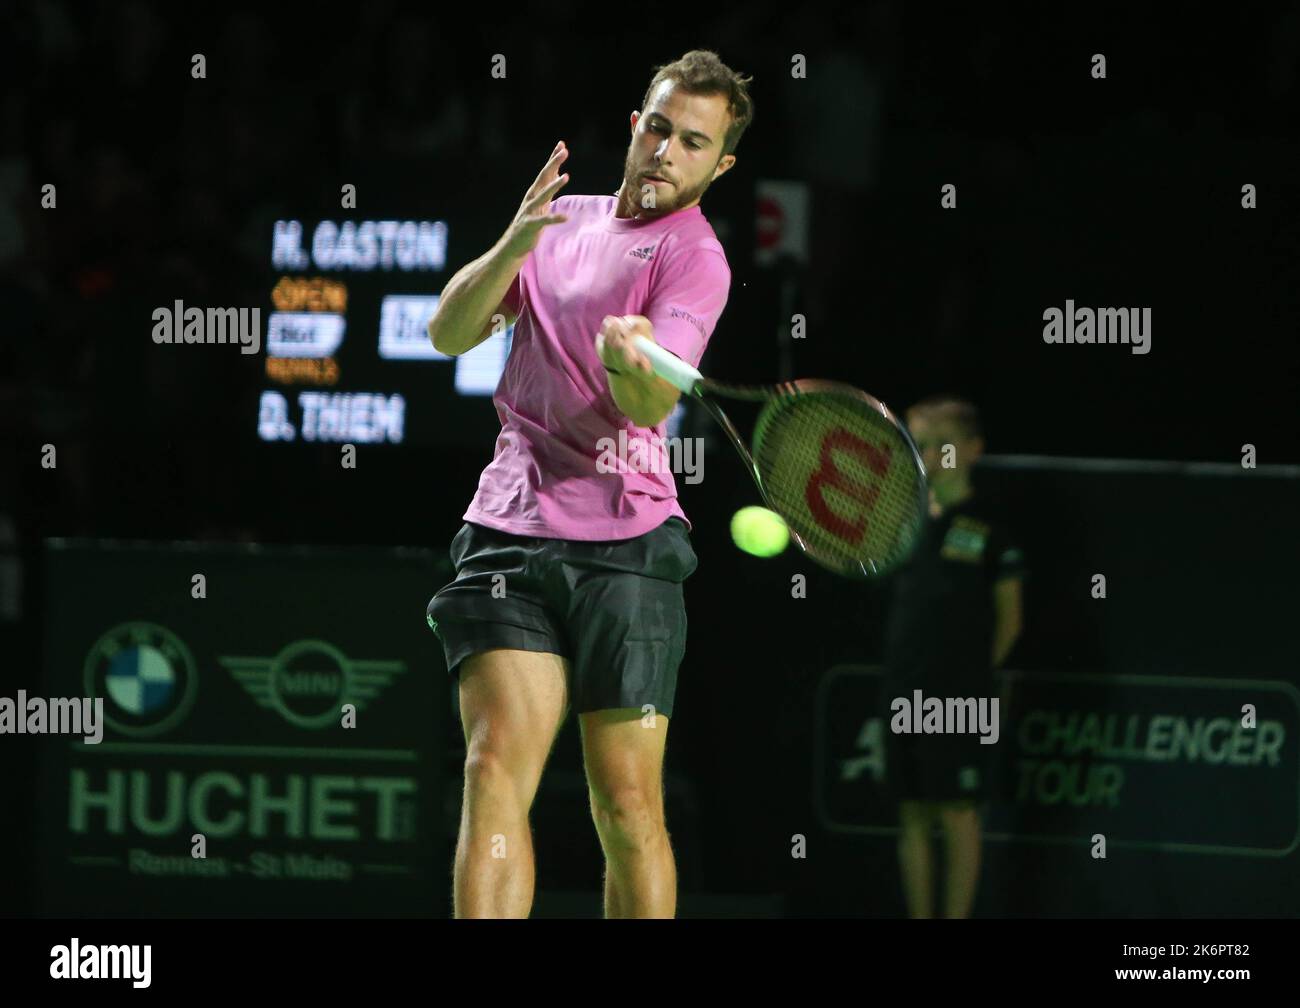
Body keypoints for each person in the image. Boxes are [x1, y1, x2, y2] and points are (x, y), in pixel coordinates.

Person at [425, 51, 753, 919]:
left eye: (692, 142)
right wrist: (513, 241)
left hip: (628, 546)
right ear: (636, 123)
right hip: (510, 525)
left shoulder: (696, 261)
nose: (665, 153)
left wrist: (630, 363)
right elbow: (448, 332)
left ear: (718, 165)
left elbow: (649, 401)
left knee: (627, 803)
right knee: (492, 770)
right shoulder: (558, 217)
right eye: (658, 127)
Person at [882, 397, 1024, 918]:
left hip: (964, 697)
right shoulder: (901, 524)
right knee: (913, 814)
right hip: (903, 689)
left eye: (940, 443)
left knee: (960, 813)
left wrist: (977, 683)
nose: (928, 454)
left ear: (972, 450)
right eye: (919, 444)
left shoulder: (990, 530)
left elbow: (1010, 620)